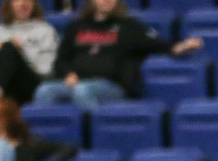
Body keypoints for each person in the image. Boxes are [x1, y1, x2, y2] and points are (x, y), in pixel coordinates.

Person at [36, 0, 197, 108]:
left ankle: (94, 140)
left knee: (83, 90)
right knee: (44, 91)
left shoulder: (128, 26)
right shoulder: (76, 26)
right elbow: (61, 60)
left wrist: (181, 47)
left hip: (113, 86)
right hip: (76, 83)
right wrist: (68, 74)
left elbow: (156, 45)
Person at [0, 0, 56, 106]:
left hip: (28, 83)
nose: (23, 4)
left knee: (9, 48)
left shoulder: (45, 30)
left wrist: (21, 52)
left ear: (34, 5)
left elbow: (46, 69)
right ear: (9, 4)